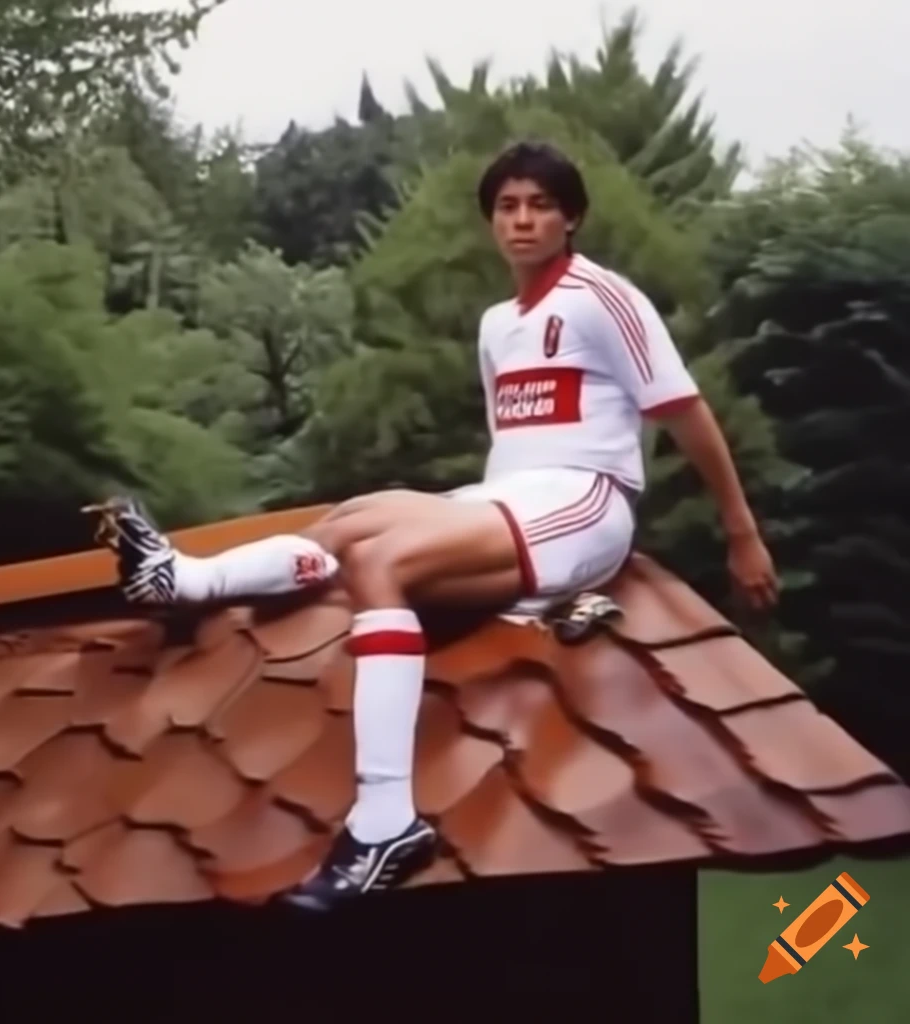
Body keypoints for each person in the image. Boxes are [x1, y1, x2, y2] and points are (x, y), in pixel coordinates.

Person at [89, 141, 779, 912]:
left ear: (570, 217)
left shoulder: (600, 297)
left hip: (586, 503)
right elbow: (508, 450)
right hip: (506, 499)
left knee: (385, 564)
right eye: (507, 206)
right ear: (492, 220)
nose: (522, 220)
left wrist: (740, 531)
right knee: (352, 521)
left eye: (540, 205)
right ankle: (184, 578)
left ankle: (386, 822)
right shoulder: (496, 326)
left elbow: (683, 410)